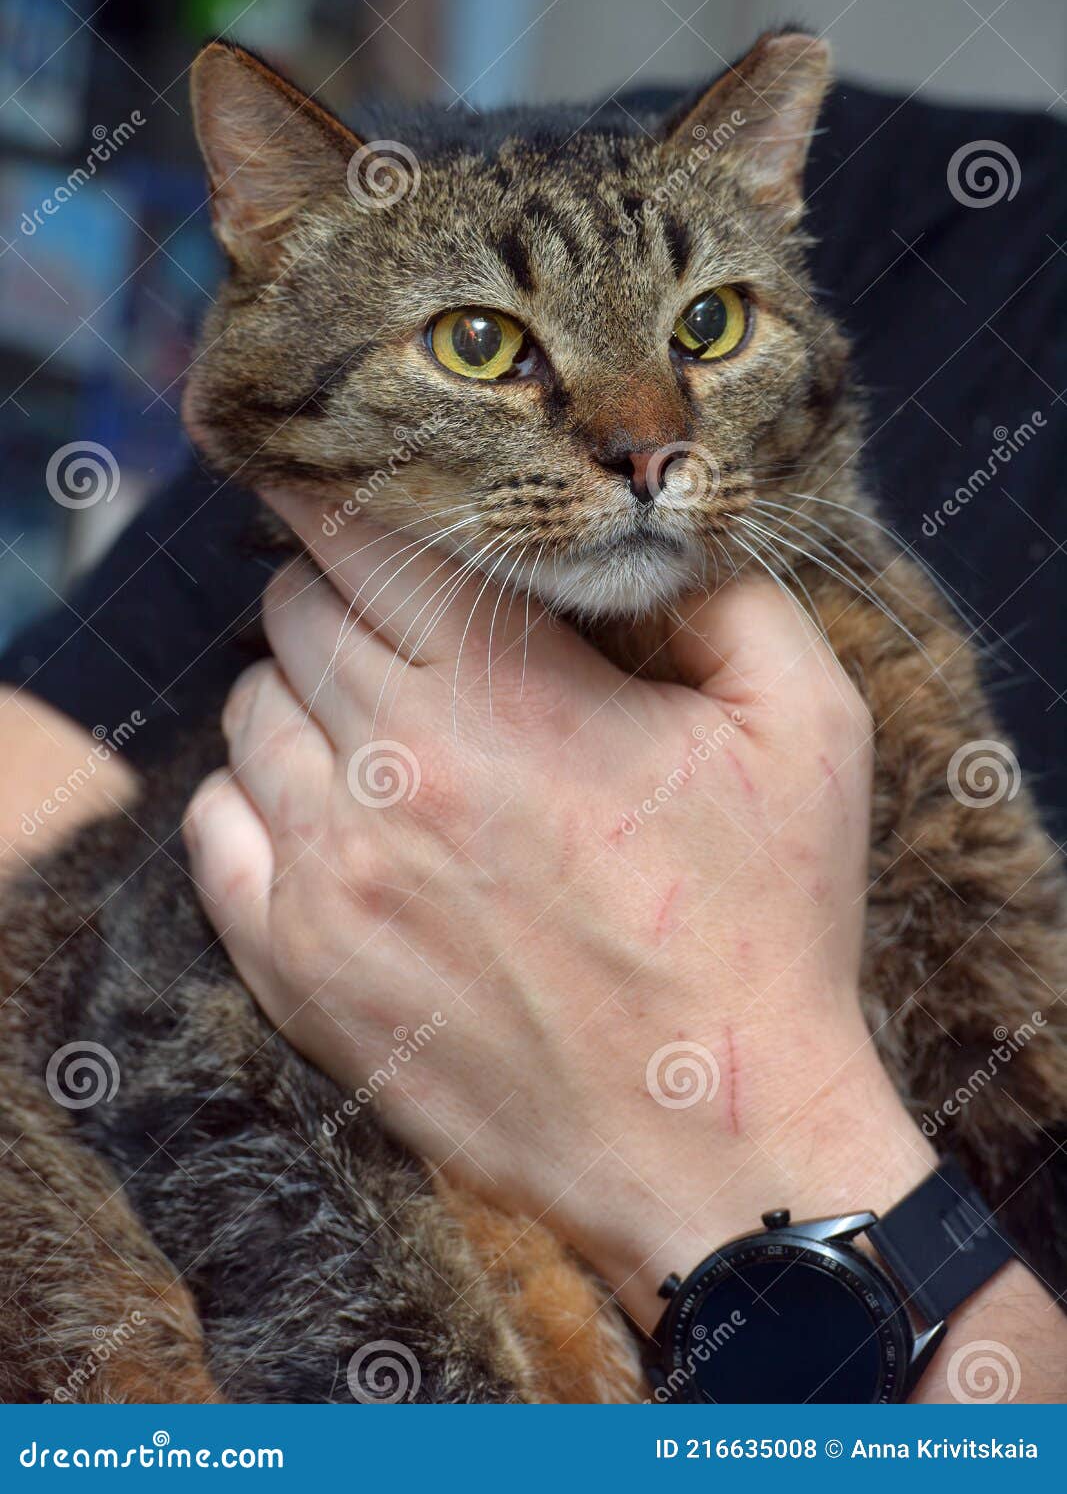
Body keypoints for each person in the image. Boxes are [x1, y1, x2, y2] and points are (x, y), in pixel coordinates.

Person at [0, 79, 1064, 1400]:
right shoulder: (940, 192)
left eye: (707, 328)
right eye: (487, 344)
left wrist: (753, 1135)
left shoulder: (889, 666)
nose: (641, 441)